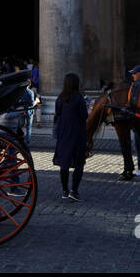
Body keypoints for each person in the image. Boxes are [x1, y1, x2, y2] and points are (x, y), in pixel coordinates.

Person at [53, 72, 88, 201]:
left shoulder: (60, 98)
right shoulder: (79, 99)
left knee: (64, 164)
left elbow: (58, 113)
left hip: (64, 134)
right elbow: (84, 116)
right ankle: (74, 190)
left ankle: (64, 190)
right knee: (79, 164)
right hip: (78, 134)